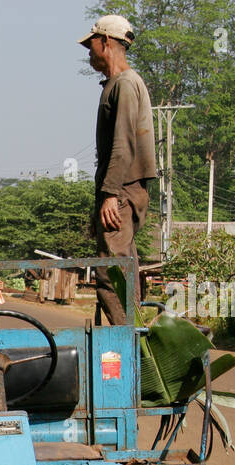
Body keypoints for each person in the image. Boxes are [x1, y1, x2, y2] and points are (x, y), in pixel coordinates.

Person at [81, 14, 157, 325]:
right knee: (124, 268)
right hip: (123, 191)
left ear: (106, 42)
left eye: (91, 44)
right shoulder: (119, 84)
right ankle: (134, 340)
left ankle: (128, 344)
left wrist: (110, 195)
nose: (89, 51)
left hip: (123, 190)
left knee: (110, 274)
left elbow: (122, 145)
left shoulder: (125, 84)